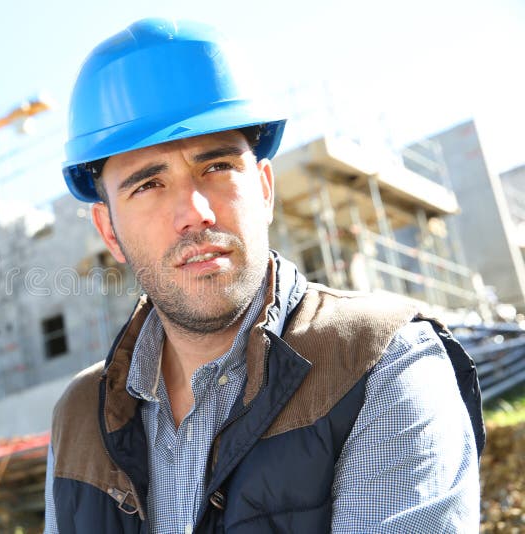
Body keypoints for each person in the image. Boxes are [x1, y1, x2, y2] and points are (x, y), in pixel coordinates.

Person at [44, 18, 484, 533]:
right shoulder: (79, 419)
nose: (195, 211)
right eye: (149, 185)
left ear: (265, 189)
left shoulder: (381, 366)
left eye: (217, 167)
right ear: (110, 231)